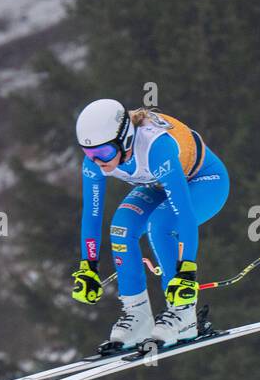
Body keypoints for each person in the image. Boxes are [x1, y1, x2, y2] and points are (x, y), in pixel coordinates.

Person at [70, 98, 229, 348]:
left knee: (161, 224)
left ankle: (183, 313)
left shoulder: (156, 147)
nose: (98, 161)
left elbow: (184, 215)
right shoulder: (95, 163)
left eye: (103, 153)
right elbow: (92, 214)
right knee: (121, 227)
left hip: (204, 181)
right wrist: (88, 266)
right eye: (89, 153)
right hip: (157, 184)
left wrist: (186, 273)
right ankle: (138, 316)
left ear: (125, 140)